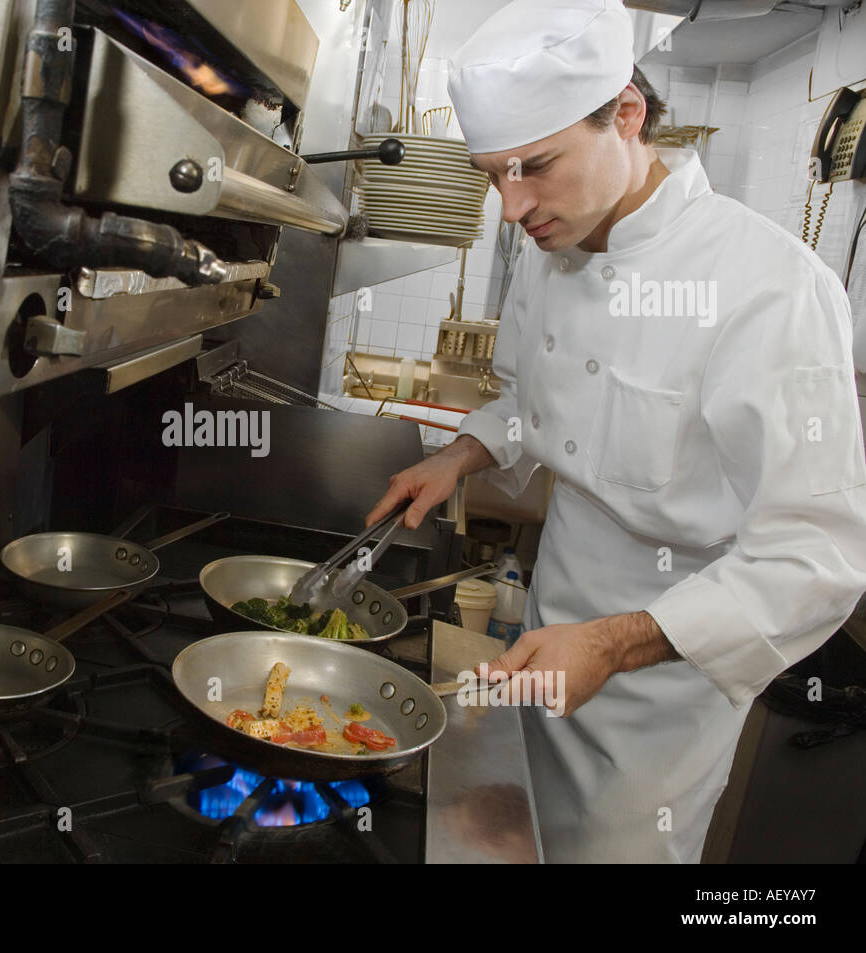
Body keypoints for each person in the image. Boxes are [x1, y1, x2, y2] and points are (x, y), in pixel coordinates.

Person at [366, 0, 866, 862]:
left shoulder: (770, 288)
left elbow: (816, 557)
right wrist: (461, 454)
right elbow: (528, 398)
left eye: (535, 166)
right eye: (493, 176)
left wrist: (609, 642)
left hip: (656, 704)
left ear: (626, 114)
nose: (512, 206)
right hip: (543, 641)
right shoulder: (550, 247)